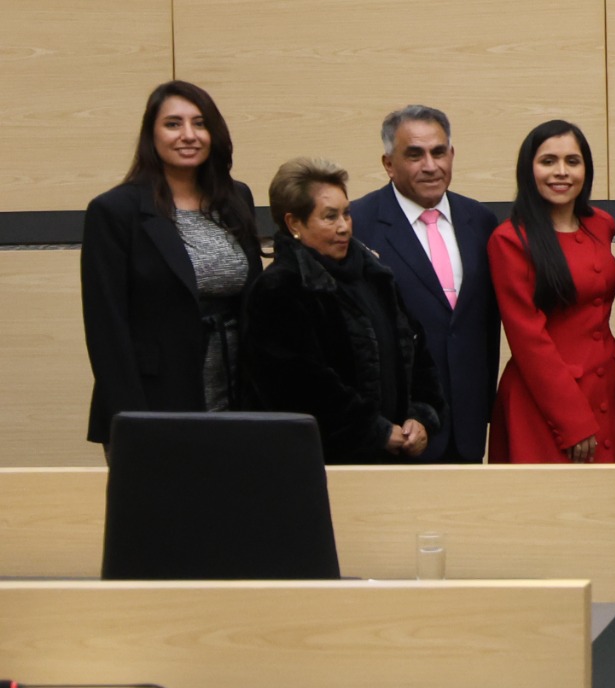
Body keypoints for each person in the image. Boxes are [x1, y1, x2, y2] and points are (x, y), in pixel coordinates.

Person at [81, 82, 265, 449]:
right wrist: (131, 422)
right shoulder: (115, 211)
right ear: (151, 133)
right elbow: (106, 329)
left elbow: (253, 298)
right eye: (173, 124)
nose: (189, 135)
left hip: (234, 391)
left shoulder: (235, 197)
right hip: (154, 398)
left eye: (199, 123)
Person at [239, 159, 444, 464]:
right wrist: (375, 431)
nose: (344, 227)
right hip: (321, 464)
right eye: (329, 217)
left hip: (395, 459)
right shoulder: (279, 289)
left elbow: (416, 355)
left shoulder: (375, 275)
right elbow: (303, 388)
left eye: (347, 213)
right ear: (294, 224)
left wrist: (421, 418)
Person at [349, 106, 500, 461]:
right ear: (388, 163)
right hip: (396, 427)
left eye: (439, 152)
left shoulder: (480, 220)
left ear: (452, 155)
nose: (430, 165)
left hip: (469, 421)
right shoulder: (358, 223)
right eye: (414, 155)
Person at [486, 120, 615, 466]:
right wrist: (572, 421)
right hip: (547, 402)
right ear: (528, 169)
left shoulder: (601, 224)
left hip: (608, 389)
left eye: (572, 161)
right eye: (548, 161)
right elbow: (528, 340)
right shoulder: (509, 239)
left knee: (611, 509)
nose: (561, 172)